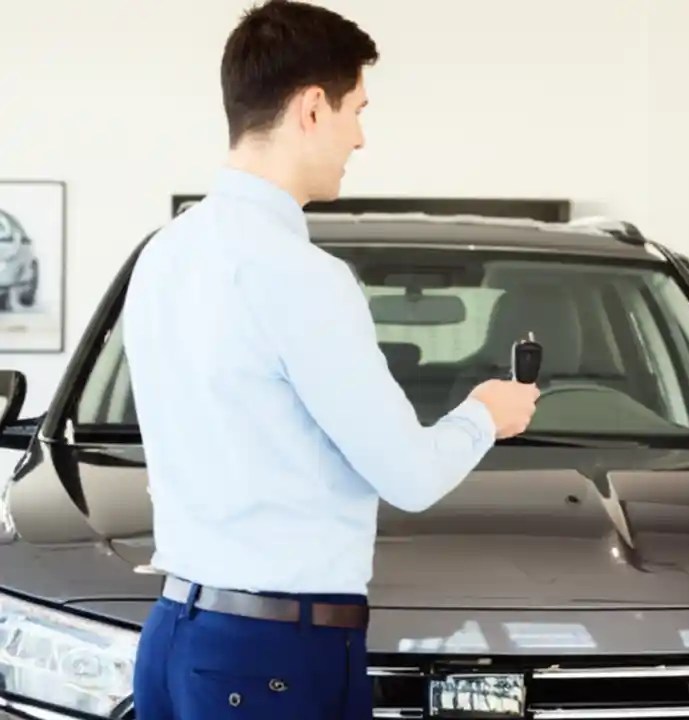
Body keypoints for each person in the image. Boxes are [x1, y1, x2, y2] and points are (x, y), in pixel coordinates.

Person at [124, 2, 539, 718]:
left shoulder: (162, 254)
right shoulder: (299, 275)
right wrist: (484, 414)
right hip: (273, 656)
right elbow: (409, 475)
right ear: (312, 108)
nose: (361, 138)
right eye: (357, 109)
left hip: (175, 638)